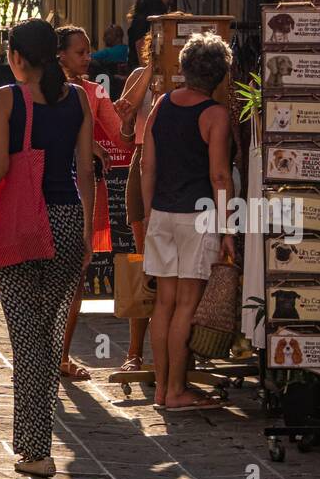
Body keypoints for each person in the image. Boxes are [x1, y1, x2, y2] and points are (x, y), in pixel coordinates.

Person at [0, 20, 95, 478]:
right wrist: (87, 235)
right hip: (68, 220)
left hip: (24, 224)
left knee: (27, 340)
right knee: (46, 339)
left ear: (16, 57)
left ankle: (36, 449)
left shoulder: (5, 98)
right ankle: (34, 444)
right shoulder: (80, 98)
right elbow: (84, 171)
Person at [140, 33, 234, 412]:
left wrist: (149, 215)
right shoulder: (216, 115)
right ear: (221, 76)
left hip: (162, 212)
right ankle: (177, 390)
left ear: (184, 67)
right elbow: (220, 178)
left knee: (163, 303)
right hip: (199, 218)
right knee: (186, 305)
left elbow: (147, 164)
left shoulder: (161, 105)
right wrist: (228, 229)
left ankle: (162, 389)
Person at [56, 26, 134, 381]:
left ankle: (58, 356)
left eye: (88, 52)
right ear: (60, 55)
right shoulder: (81, 93)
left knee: (72, 281)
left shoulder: (93, 91)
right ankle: (56, 357)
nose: (89, 58)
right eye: (81, 52)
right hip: (72, 193)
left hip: (77, 192)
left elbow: (121, 135)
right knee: (69, 279)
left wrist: (131, 106)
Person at [116, 41, 157, 373]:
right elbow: (126, 131)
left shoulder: (194, 78)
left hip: (180, 170)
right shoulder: (141, 76)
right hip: (142, 164)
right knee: (143, 260)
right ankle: (134, 352)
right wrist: (152, 71)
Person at [126, 0, 173, 72]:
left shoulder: (146, 19)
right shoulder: (142, 21)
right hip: (142, 72)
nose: (170, 1)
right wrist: (147, 74)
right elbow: (141, 49)